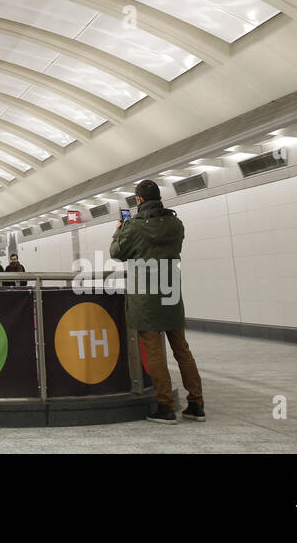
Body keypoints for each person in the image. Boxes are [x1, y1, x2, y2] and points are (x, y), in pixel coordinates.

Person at [109, 180, 204, 424]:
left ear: (139, 200)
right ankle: (196, 404)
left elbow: (116, 253)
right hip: (170, 289)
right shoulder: (176, 223)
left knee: (154, 351)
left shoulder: (134, 227)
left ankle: (165, 406)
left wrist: (119, 228)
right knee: (182, 348)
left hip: (146, 295)